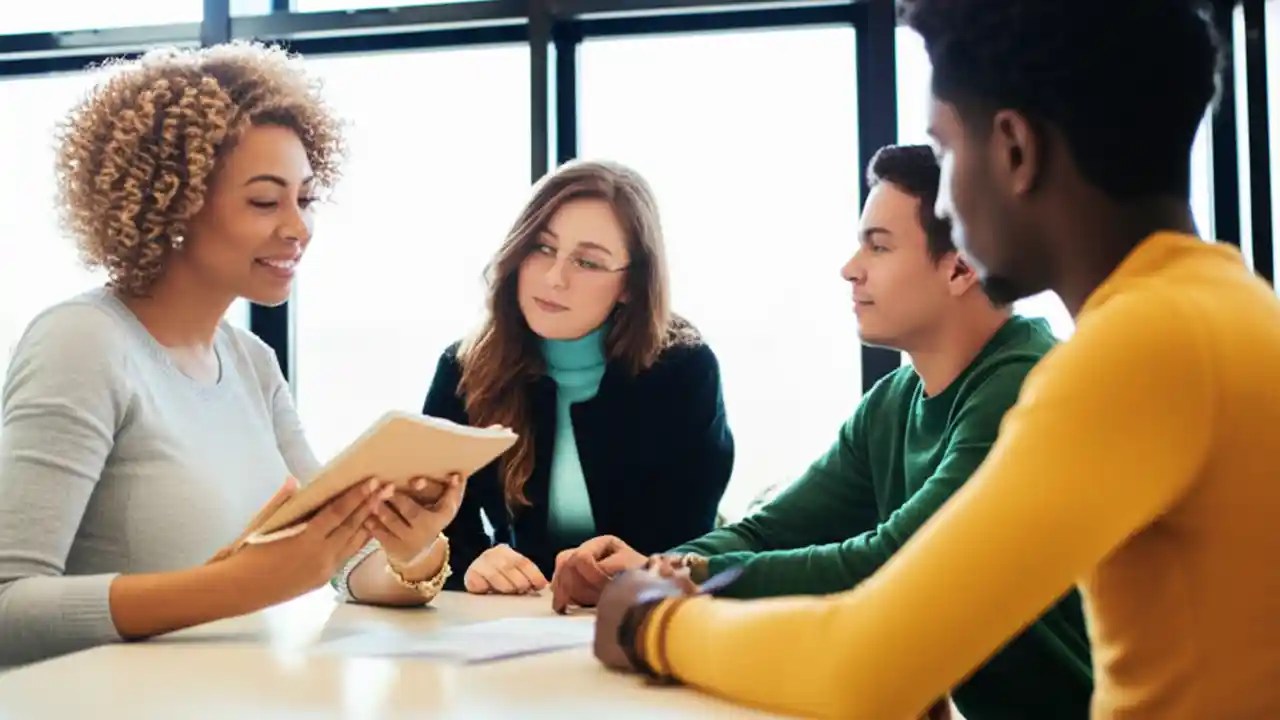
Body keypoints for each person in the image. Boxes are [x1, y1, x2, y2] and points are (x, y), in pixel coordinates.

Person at [590, 1, 1280, 718]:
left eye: (946, 153)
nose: (947, 195)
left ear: (1014, 150)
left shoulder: (1142, 349)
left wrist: (653, 622)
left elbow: (861, 667)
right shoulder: (1220, 310)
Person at [554, 145, 1092, 719]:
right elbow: (768, 533)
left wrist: (676, 582)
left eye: (878, 245)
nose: (851, 267)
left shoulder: (1024, 385)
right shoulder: (892, 403)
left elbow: (891, 560)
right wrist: (651, 568)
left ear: (960, 267)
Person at [0, 42, 461, 667]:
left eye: (305, 198)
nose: (298, 227)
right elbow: (8, 607)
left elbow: (344, 566)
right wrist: (242, 584)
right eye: (265, 201)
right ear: (172, 204)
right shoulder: (81, 342)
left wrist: (413, 544)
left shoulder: (249, 361)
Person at [417, 159, 734, 598]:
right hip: (511, 618)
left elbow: (685, 541)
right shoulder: (465, 366)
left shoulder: (684, 371)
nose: (554, 278)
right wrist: (474, 563)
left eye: (587, 262)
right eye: (542, 248)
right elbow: (432, 530)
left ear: (630, 285)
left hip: (640, 613)